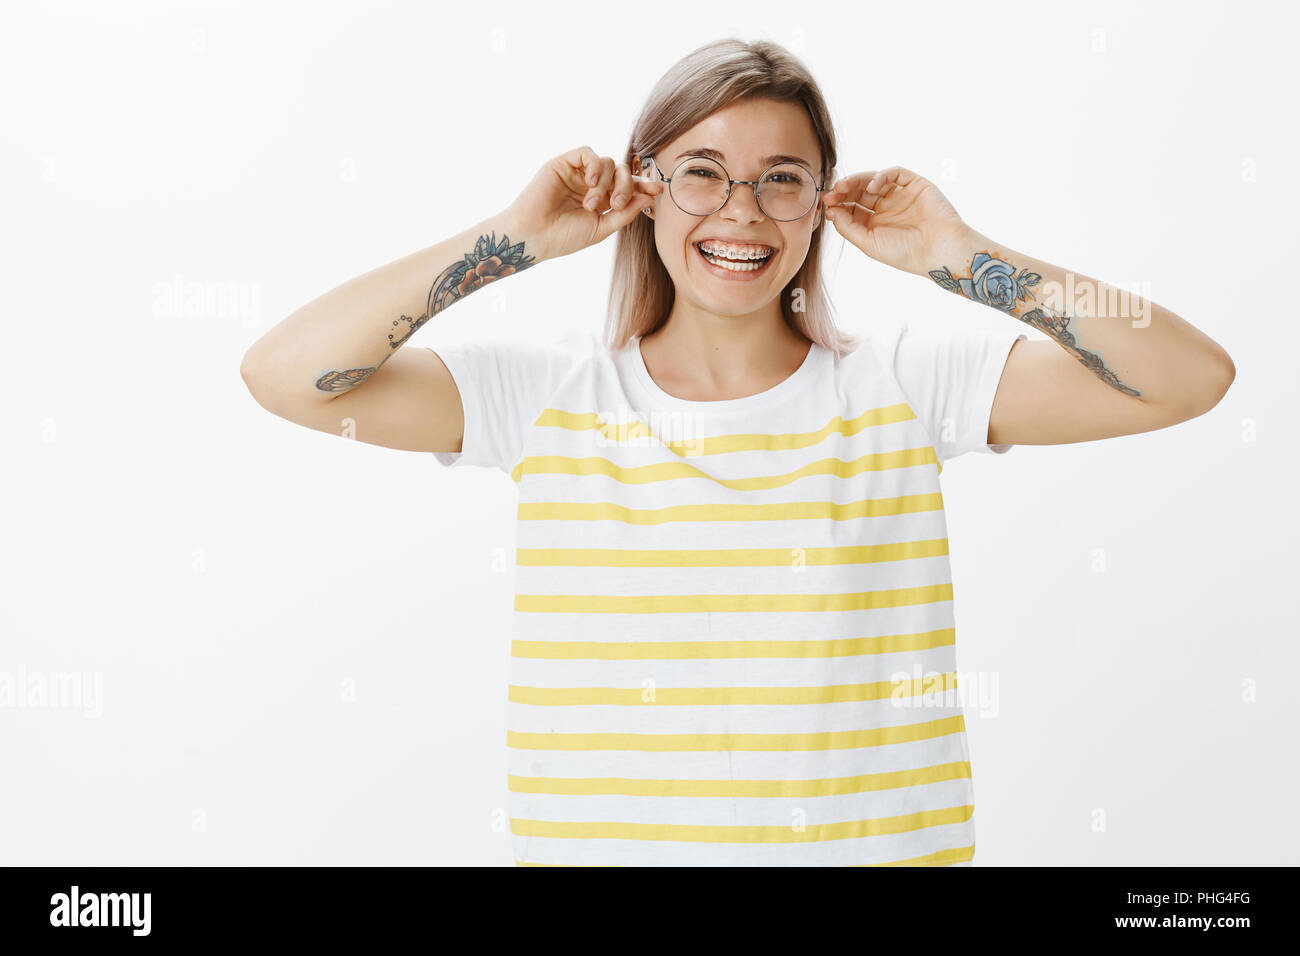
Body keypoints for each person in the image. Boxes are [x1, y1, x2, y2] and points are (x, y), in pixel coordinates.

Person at [240, 38, 1234, 866]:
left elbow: (1187, 377)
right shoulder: (544, 395)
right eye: (701, 174)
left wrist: (958, 255)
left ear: (818, 203)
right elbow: (287, 374)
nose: (742, 213)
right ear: (647, 191)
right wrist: (510, 238)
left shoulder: (900, 383)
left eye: (780, 180)